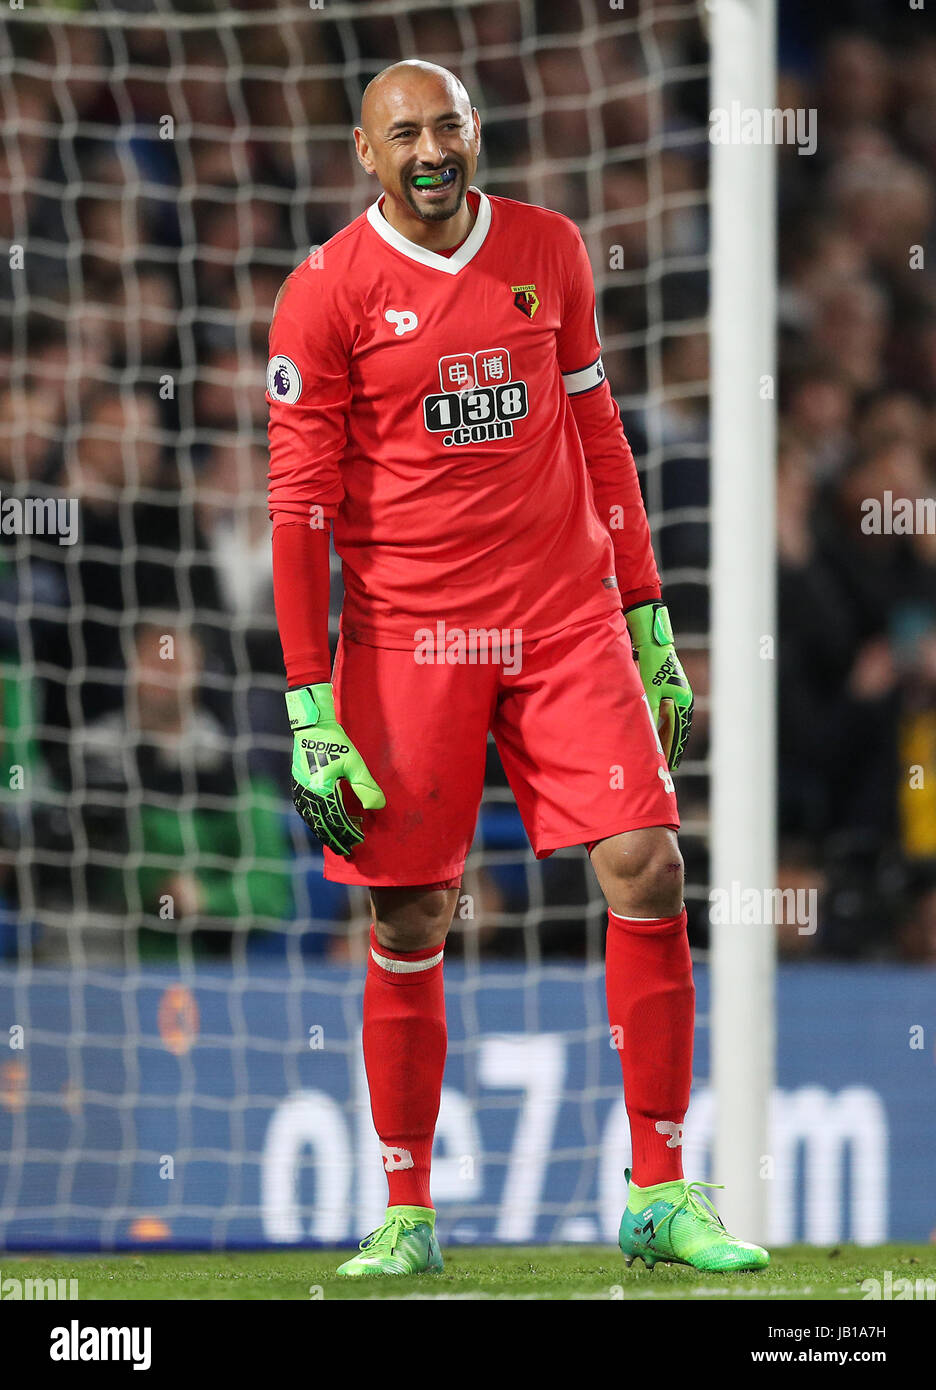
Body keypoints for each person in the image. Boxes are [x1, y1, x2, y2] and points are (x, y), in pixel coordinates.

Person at [267, 60, 767, 1277]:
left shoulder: (549, 248)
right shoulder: (324, 295)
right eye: (406, 134)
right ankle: (406, 1210)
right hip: (406, 637)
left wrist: (646, 615)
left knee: (648, 860)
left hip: (562, 618)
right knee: (411, 908)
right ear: (364, 155)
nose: (431, 149)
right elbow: (297, 511)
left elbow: (598, 429)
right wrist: (308, 701)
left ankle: (658, 1190)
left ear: (475, 134)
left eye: (449, 125)